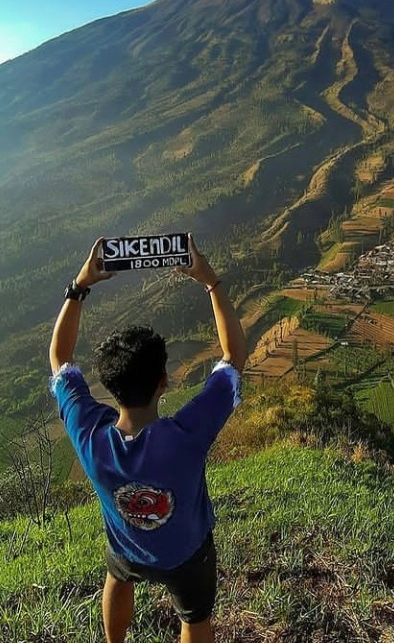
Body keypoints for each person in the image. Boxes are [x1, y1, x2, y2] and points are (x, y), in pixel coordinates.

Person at [49, 234, 246, 643]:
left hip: (126, 548)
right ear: (164, 383)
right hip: (187, 553)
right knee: (194, 618)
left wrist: (80, 286)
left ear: (109, 384)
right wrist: (210, 281)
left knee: (117, 577)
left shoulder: (89, 437)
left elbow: (60, 360)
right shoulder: (186, 435)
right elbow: (234, 358)